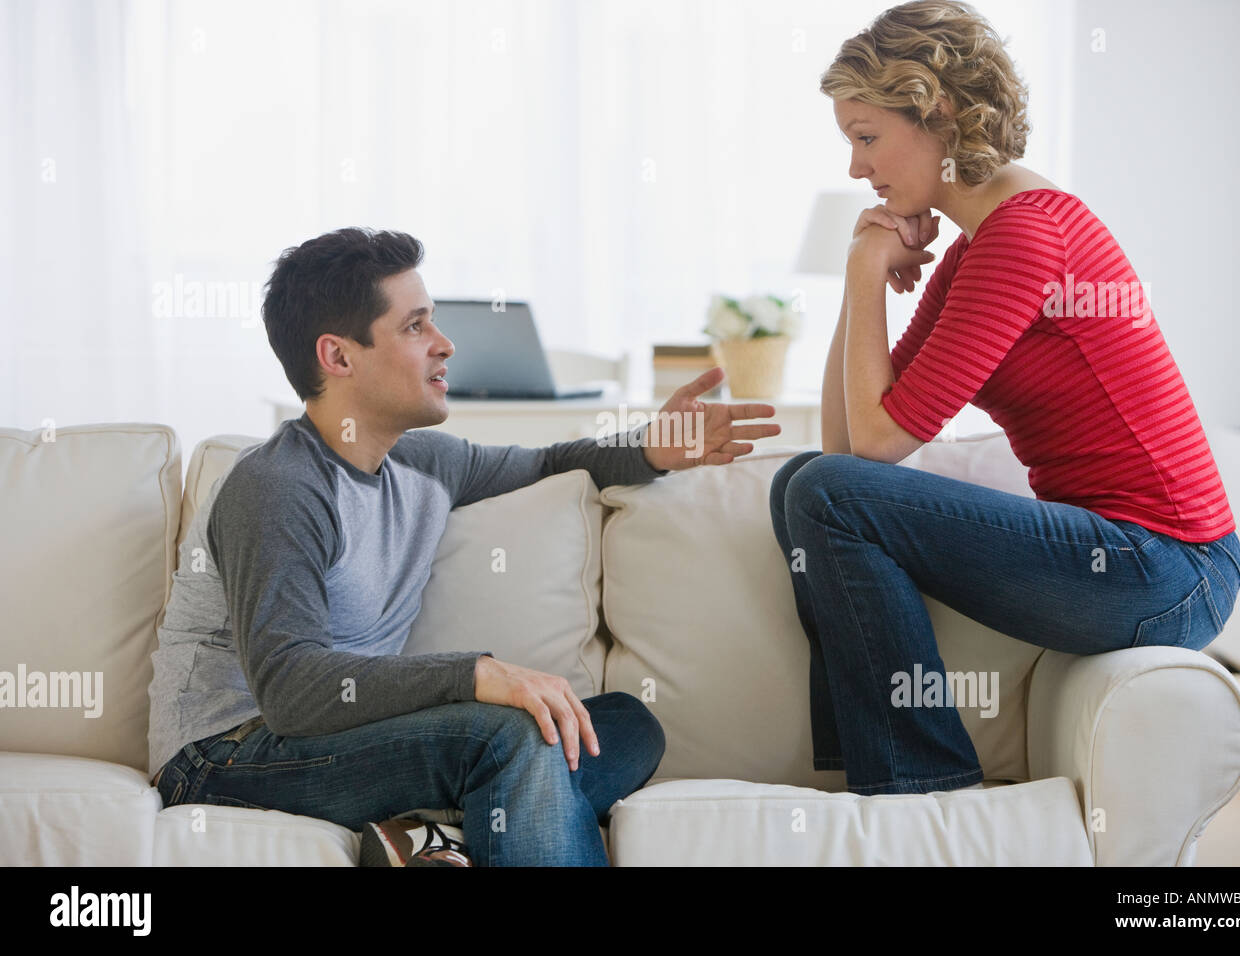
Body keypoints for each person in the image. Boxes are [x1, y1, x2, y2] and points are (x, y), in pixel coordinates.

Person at [147, 226, 780, 866]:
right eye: (416, 327)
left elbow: (553, 462)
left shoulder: (425, 464)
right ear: (338, 357)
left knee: (621, 724)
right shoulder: (278, 487)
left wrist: (649, 446)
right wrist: (476, 675)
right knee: (513, 736)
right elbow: (292, 690)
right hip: (226, 752)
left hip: (340, 740)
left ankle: (432, 844)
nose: (445, 345)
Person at [769, 0, 1240, 797]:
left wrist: (862, 273)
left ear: (938, 112)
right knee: (804, 483)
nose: (857, 168)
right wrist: (864, 278)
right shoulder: (976, 252)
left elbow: (877, 449)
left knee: (819, 490)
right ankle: (891, 768)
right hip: (1132, 558)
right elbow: (847, 448)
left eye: (866, 136)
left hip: (1170, 568)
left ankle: (925, 784)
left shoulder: (1026, 236)